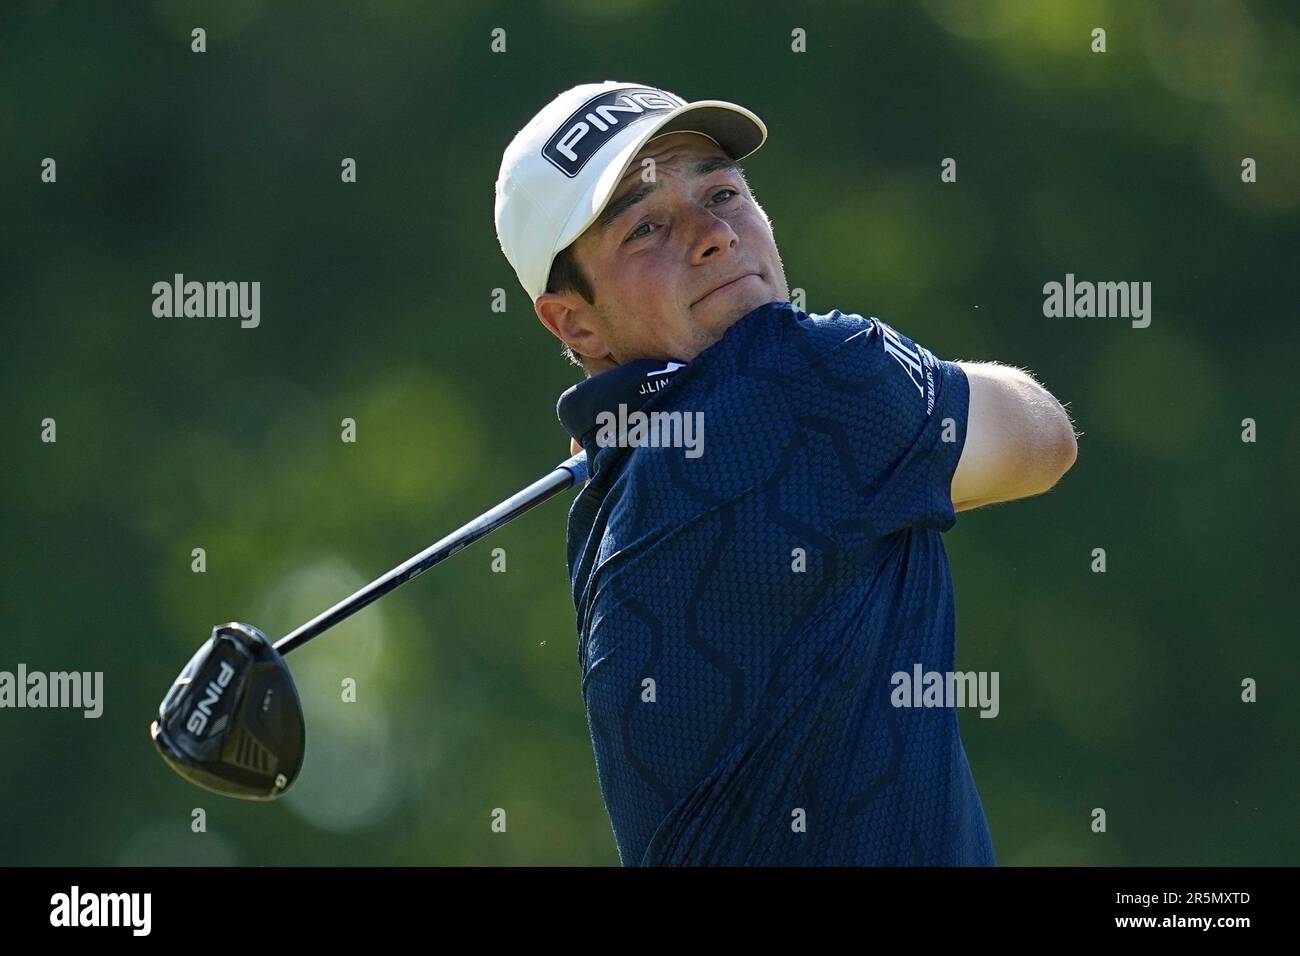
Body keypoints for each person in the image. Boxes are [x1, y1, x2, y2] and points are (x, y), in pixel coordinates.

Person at [494, 81, 1077, 865]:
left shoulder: (609, 494)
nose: (712, 236)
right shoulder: (807, 378)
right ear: (575, 321)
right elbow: (1044, 439)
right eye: (645, 228)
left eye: (723, 192)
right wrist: (896, 417)